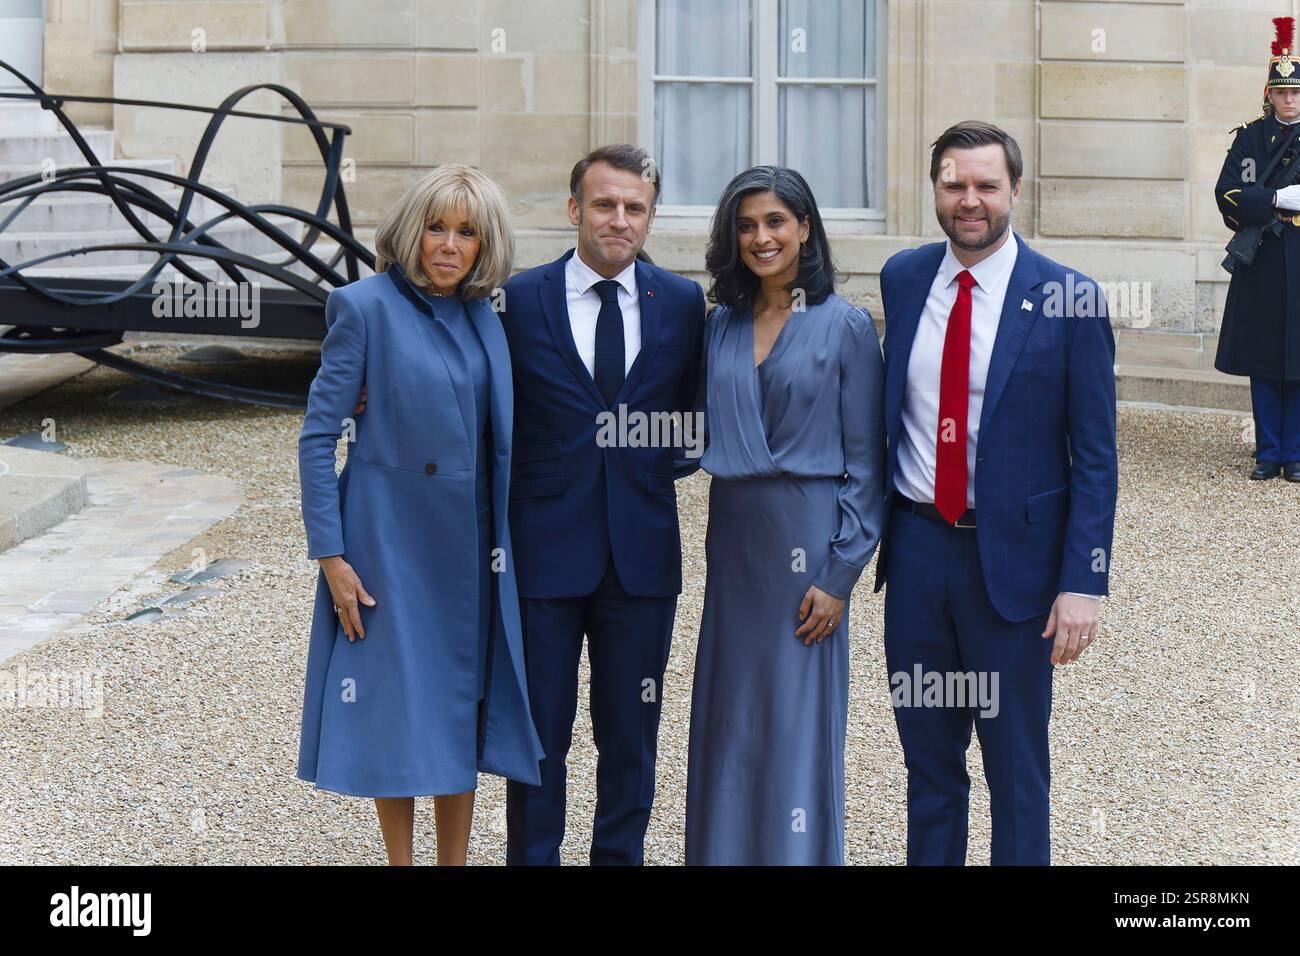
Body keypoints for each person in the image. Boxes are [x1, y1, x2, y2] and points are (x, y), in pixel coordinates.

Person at [875, 121, 1118, 865]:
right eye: (955, 184)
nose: (970, 200)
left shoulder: (1070, 298)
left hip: (1014, 569)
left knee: (1015, 769)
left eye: (986, 185)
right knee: (929, 764)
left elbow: (1098, 459)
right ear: (936, 190)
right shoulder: (905, 277)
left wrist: (1084, 582)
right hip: (916, 553)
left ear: (1015, 190)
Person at [296, 165, 543, 865]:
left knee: (460, 704)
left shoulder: (486, 315)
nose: (448, 244)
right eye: (436, 226)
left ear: (482, 244)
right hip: (389, 547)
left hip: (473, 548)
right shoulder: (362, 306)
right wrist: (332, 557)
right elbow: (319, 437)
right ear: (411, 229)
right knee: (400, 707)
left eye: (466, 232)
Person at [499, 145, 706, 865]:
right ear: (574, 209)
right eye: (604, 204)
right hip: (541, 555)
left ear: (651, 215)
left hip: (642, 558)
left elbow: (694, 416)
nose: (619, 220)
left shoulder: (681, 303)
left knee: (630, 737)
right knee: (540, 736)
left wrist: (650, 467)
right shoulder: (518, 299)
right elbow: (479, 399)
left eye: (635, 207)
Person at [684, 166, 886, 866]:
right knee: (730, 721)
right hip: (735, 545)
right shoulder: (720, 326)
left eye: (775, 221)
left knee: (796, 724)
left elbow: (869, 466)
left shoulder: (848, 326)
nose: (761, 237)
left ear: (805, 227)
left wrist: (839, 576)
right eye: (746, 225)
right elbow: (684, 434)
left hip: (809, 550)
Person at [1214, 16, 1300, 482]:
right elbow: (1226, 194)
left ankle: (1297, 453)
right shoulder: (1249, 137)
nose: (1289, 99)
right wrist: (1273, 199)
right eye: (1281, 92)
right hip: (1263, 259)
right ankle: (1268, 451)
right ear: (1269, 93)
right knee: (1265, 359)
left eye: (1296, 92)